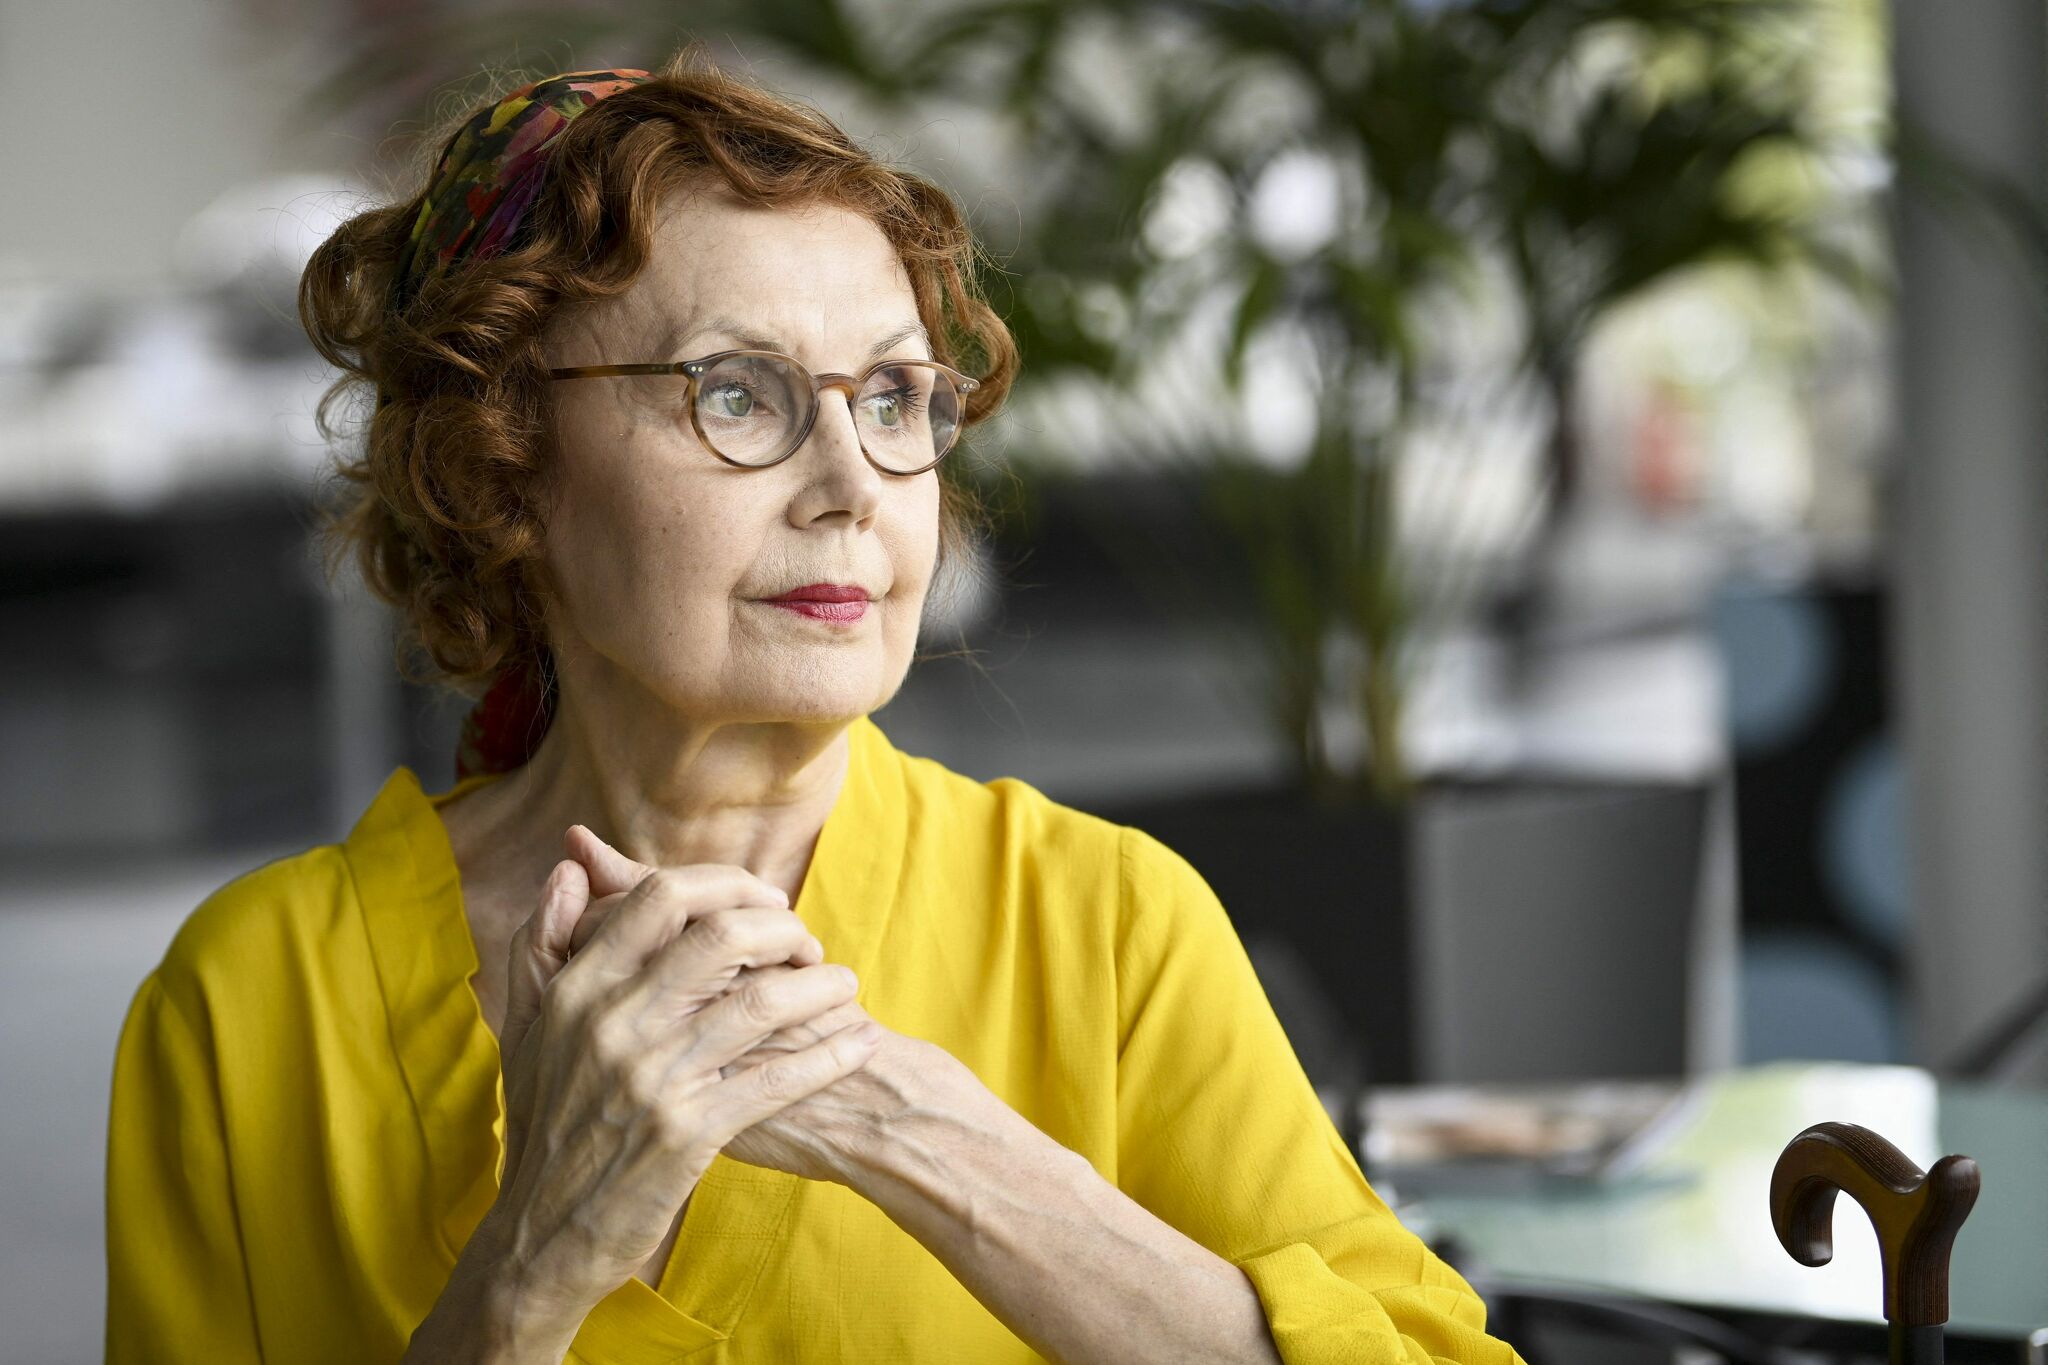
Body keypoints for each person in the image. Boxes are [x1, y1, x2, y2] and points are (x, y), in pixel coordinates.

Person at [104, 44, 1525, 1365]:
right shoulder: (252, 1000)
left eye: (897, 398)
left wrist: (928, 1135)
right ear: (500, 462)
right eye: (737, 391)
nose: (852, 481)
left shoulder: (1106, 924)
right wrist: (534, 1260)